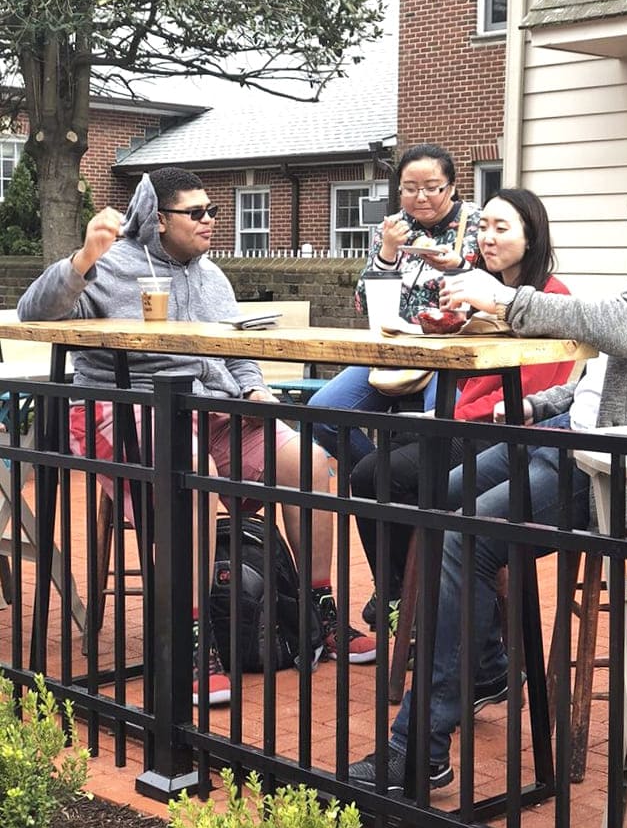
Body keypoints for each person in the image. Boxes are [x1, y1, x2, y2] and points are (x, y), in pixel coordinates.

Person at [349, 131, 627, 791]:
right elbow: (611, 367)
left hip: (610, 462)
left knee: (457, 533)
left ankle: (419, 745)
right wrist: (537, 406)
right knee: (433, 501)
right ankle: (488, 662)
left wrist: (505, 300)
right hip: (570, 430)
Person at [17, 167, 376, 707]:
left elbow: (238, 352)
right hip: (127, 406)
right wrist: (83, 257)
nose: (212, 221)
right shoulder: (110, 267)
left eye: (213, 211)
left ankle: (317, 609)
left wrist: (254, 390)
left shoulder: (212, 276)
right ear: (160, 221)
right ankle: (192, 637)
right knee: (194, 475)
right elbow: (33, 311)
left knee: (311, 461)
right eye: (199, 212)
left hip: (209, 407)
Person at [352, 188, 574, 638]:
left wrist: (446, 417)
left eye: (502, 228)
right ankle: (404, 598)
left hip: (504, 431)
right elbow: (463, 372)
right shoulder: (479, 290)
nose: (488, 238)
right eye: (484, 227)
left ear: (531, 238)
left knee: (379, 474)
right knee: (378, 464)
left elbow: (529, 392)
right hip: (463, 421)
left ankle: (410, 603)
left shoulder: (551, 295)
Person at [308, 144, 481, 467]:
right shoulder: (392, 229)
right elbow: (362, 302)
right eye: (410, 189)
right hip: (395, 350)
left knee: (447, 426)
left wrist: (459, 269)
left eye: (432, 188)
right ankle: (381, 480)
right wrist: (387, 253)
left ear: (453, 187)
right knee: (323, 413)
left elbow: (496, 293)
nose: (421, 197)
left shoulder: (476, 226)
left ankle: (435, 502)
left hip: (450, 355)